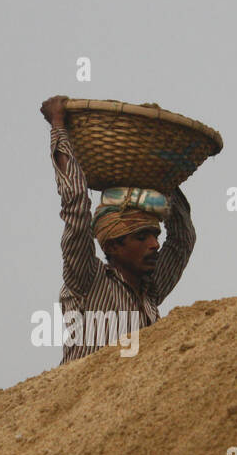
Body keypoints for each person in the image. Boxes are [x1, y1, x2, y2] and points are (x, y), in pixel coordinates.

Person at [40, 94, 196, 363]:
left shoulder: (151, 290)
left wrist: (162, 172)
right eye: (141, 236)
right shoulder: (87, 280)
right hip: (86, 400)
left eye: (155, 235)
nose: (154, 245)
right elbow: (76, 206)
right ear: (112, 246)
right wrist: (58, 126)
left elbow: (182, 239)